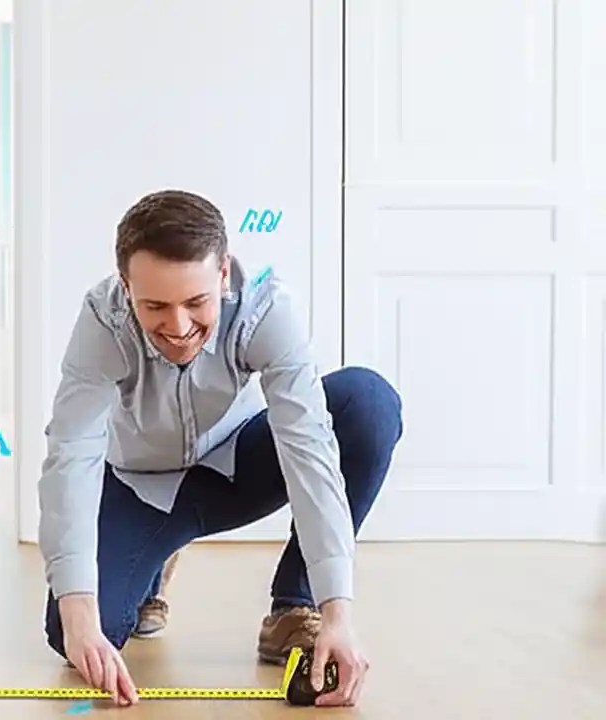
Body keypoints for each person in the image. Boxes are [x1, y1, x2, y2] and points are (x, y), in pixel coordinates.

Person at [38, 190, 403, 708]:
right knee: (74, 634)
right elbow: (72, 453)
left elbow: (309, 449)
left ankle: (294, 606)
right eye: (155, 306)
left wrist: (337, 611)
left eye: (196, 303)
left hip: (235, 466)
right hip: (144, 488)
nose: (179, 327)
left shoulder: (265, 309)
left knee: (367, 403)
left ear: (224, 273)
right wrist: (79, 616)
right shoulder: (103, 319)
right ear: (125, 285)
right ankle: (154, 562)